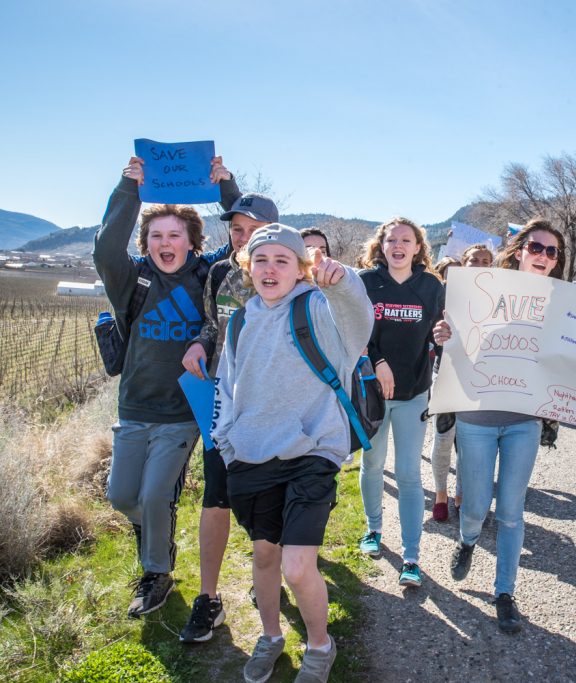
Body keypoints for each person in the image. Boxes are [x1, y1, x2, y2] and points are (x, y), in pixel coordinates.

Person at [433, 219, 576, 634]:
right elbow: (457, 333)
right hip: (477, 418)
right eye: (537, 247)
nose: (544, 256)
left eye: (552, 252)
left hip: (524, 423)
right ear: (519, 250)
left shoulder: (568, 304)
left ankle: (505, 593)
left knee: (512, 513)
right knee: (476, 505)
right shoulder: (484, 286)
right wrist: (444, 333)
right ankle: (467, 540)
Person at [211, 224, 373, 683]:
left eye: (283, 260)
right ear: (248, 266)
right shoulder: (241, 320)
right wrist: (227, 442)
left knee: (298, 566)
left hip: (312, 452)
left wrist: (343, 283)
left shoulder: (317, 308)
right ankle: (271, 637)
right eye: (261, 260)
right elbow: (227, 384)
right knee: (264, 557)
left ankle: (320, 645)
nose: (270, 269)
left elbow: (359, 322)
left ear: (302, 269)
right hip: (251, 457)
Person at [94, 155, 235, 618]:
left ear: (193, 241)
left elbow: (244, 248)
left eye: (175, 234)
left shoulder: (207, 276)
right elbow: (105, 248)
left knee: (156, 494)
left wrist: (227, 188)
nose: (165, 242)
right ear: (146, 242)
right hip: (134, 406)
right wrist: (128, 188)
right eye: (157, 236)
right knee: (121, 497)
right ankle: (155, 535)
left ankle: (156, 572)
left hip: (181, 412)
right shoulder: (131, 279)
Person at [178, 186, 280, 643]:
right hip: (223, 402)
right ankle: (209, 598)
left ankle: (269, 582)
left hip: (275, 408)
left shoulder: (288, 275)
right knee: (215, 495)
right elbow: (210, 323)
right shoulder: (220, 272)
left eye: (254, 232)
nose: (243, 239)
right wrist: (201, 342)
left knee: (269, 500)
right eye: (237, 230)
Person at [356, 218, 445, 587]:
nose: (398, 245)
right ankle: (374, 529)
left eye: (406, 240)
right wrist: (377, 362)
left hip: (413, 393)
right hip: (372, 392)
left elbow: (441, 335)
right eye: (391, 239)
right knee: (373, 462)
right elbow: (355, 330)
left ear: (417, 247)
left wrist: (443, 336)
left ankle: (411, 555)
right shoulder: (365, 283)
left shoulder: (430, 286)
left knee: (409, 473)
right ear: (381, 245)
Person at [429, 243, 495, 522]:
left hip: (481, 377)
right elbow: (430, 330)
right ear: (463, 263)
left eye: (486, 261)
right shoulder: (445, 293)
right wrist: (438, 333)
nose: (479, 264)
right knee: (444, 437)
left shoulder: (500, 297)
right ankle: (441, 493)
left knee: (470, 441)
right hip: (447, 371)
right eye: (474, 260)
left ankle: (462, 493)